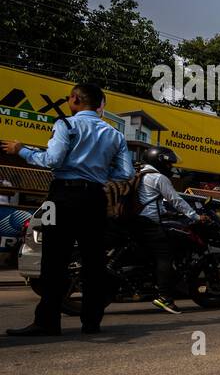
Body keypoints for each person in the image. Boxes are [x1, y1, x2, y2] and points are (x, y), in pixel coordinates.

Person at [3, 83, 132, 337]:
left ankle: (48, 322)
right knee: (94, 261)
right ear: (100, 106)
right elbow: (126, 172)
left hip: (61, 197)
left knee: (54, 260)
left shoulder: (66, 125)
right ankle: (92, 322)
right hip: (95, 199)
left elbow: (52, 160)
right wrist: (99, 174)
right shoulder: (114, 135)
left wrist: (22, 151)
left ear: (74, 99)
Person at [134, 146, 202, 314]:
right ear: (159, 162)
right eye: (169, 164)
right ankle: (164, 297)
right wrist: (196, 217)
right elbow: (175, 200)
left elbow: (150, 201)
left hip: (136, 221)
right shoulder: (158, 178)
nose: (171, 167)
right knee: (165, 256)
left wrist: (167, 212)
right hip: (148, 222)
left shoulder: (140, 174)